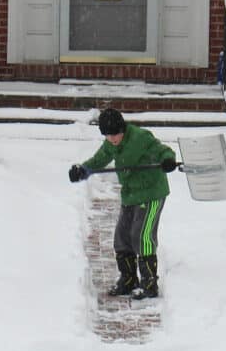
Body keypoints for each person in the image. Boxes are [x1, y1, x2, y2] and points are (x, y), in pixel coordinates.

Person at [68, 108, 177, 299]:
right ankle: (128, 279)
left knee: (141, 235)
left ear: (123, 129)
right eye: (108, 136)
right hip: (131, 194)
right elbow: (100, 159)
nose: (112, 139)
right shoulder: (110, 143)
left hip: (151, 193)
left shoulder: (140, 137)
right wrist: (83, 169)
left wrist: (168, 160)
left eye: (115, 134)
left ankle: (149, 283)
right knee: (122, 236)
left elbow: (163, 151)